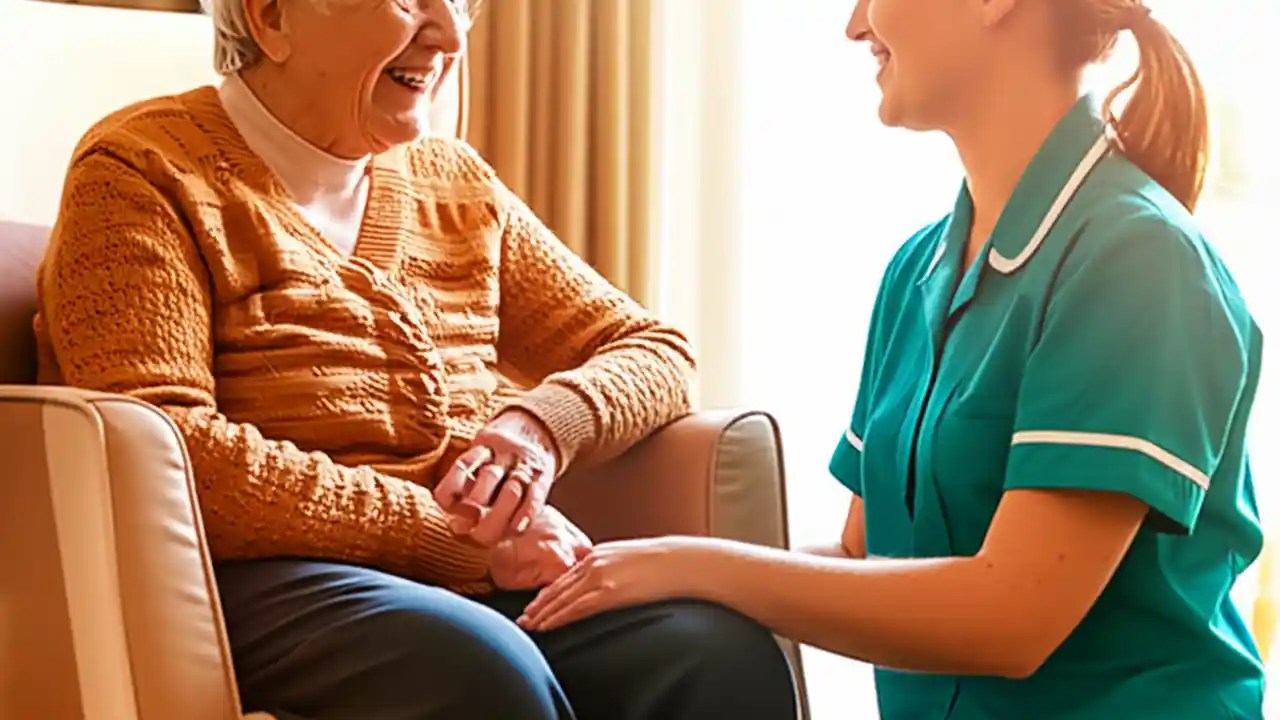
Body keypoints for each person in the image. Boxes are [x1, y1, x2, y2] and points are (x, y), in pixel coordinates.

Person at [32, 0, 798, 718]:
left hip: (458, 578)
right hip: (259, 575)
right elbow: (167, 448)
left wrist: (537, 426)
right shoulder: (140, 172)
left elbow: (653, 350)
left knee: (713, 653)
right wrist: (456, 538)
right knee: (475, 668)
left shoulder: (453, 182)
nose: (451, 35)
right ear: (270, 15)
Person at [520, 1, 1266, 718]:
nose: (854, 24)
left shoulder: (1140, 261)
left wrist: (691, 564)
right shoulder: (919, 270)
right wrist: (622, 570)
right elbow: (860, 556)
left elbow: (1012, 618)